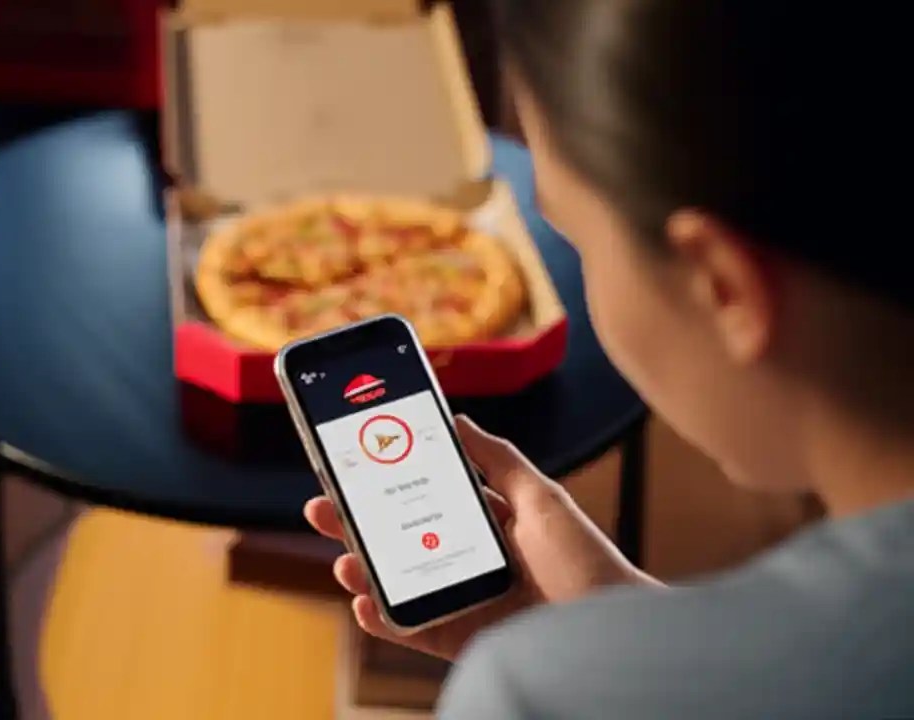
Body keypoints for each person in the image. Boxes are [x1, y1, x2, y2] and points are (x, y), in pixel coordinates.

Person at [304, 1, 913, 717]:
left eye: (578, 238)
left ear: (722, 288)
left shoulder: (537, 693)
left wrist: (589, 672)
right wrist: (621, 628)